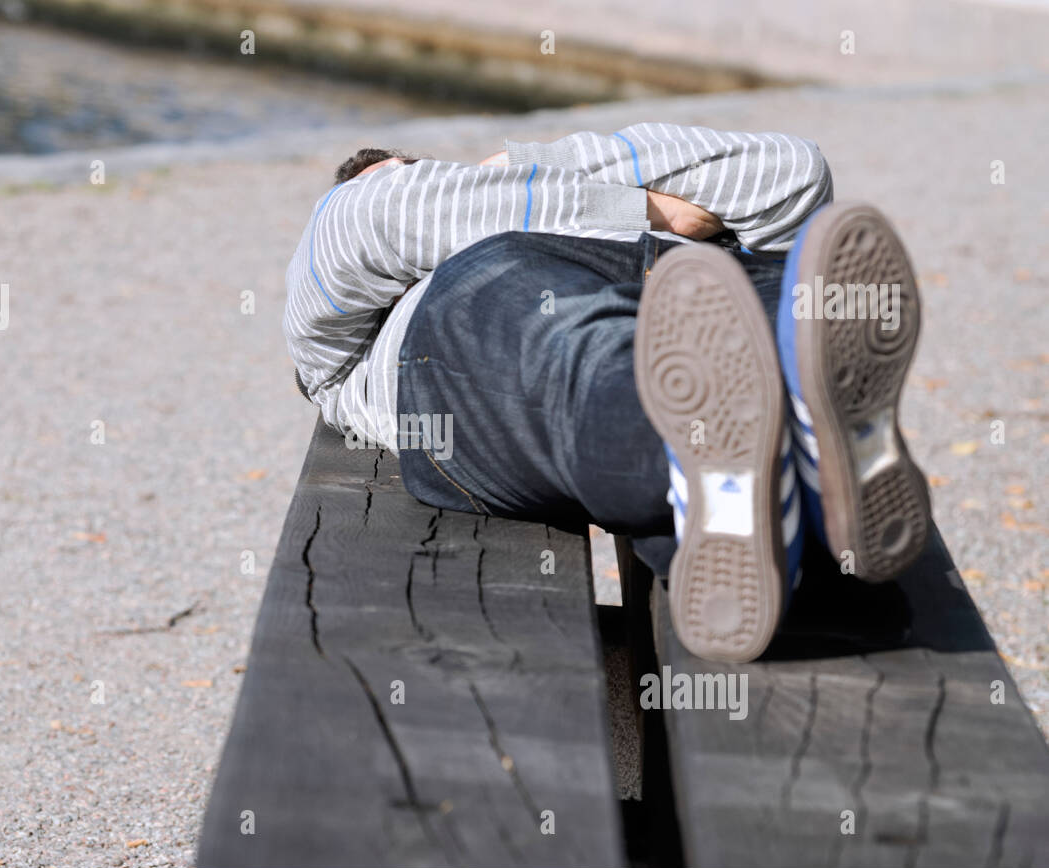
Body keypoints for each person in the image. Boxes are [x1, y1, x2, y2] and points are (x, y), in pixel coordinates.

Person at [282, 124, 929, 661]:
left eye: (433, 172)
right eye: (413, 174)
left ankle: (769, 500)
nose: (429, 180)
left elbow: (792, 174)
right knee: (580, 355)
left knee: (783, 301)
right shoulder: (350, 346)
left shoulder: (539, 185)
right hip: (498, 322)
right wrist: (640, 206)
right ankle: (757, 461)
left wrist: (540, 162)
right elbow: (376, 212)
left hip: (697, 288)